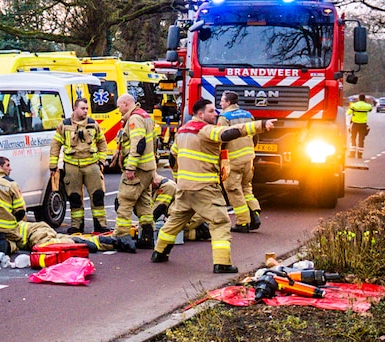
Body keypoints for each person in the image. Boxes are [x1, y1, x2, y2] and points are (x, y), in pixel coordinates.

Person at [152, 98, 274, 273]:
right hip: (205, 187)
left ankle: (159, 252)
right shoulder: (205, 130)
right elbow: (228, 133)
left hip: (185, 189)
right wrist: (259, 125)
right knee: (220, 222)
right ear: (200, 114)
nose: (215, 113)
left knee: (174, 221)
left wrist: (179, 179)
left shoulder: (182, 132)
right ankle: (222, 263)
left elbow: (172, 159)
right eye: (211, 111)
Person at [50, 97, 109, 233]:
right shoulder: (64, 125)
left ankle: (100, 224)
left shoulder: (93, 124)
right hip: (72, 166)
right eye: (83, 108)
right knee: (74, 197)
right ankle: (77, 225)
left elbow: (102, 143)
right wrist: (53, 165)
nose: (85, 111)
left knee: (98, 195)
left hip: (91, 165)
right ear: (75, 108)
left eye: (87, 108)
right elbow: (55, 144)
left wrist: (101, 161)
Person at [114, 94, 158, 248]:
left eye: (119, 106)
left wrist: (130, 167)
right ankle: (147, 237)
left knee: (124, 200)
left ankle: (121, 236)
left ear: (126, 104)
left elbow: (138, 143)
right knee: (144, 203)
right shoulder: (145, 116)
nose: (118, 109)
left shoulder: (134, 119)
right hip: (147, 169)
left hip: (138, 169)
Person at [218, 91, 262, 232]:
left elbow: (221, 138)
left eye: (222, 101)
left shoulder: (224, 117)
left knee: (233, 189)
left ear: (228, 103)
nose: (220, 103)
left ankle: (243, 223)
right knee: (246, 187)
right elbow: (255, 136)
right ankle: (254, 212)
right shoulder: (248, 115)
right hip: (248, 158)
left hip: (233, 159)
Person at [347, 94, 374, 159]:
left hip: (355, 124)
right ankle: (360, 155)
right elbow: (370, 109)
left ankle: (352, 154)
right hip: (363, 124)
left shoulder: (354, 105)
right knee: (361, 139)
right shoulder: (368, 106)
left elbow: (348, 113)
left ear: (358, 98)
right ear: (364, 99)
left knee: (353, 138)